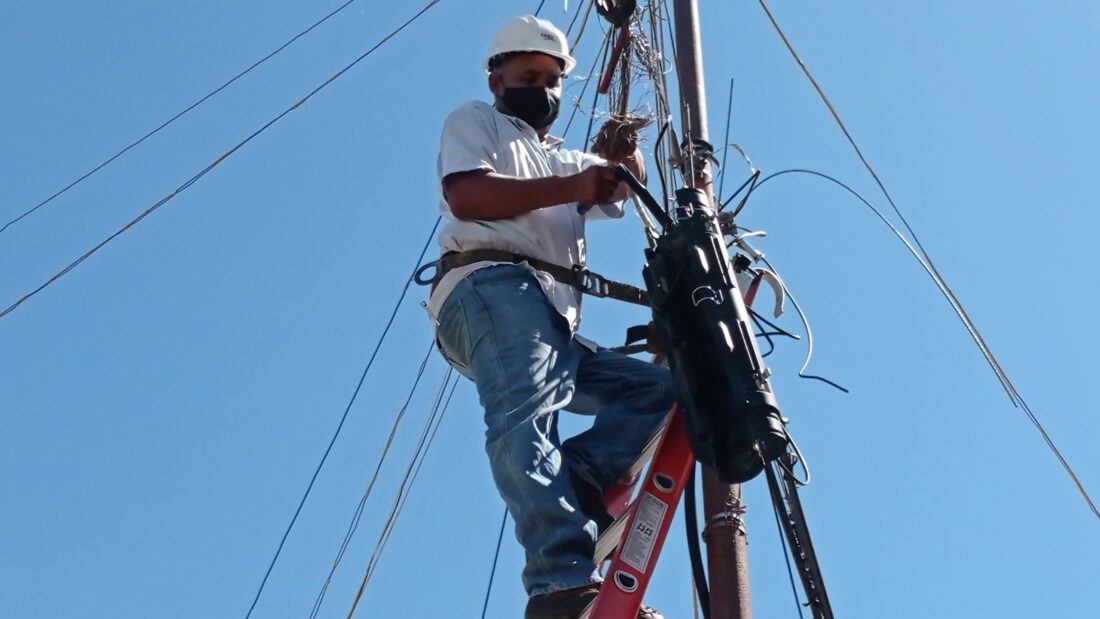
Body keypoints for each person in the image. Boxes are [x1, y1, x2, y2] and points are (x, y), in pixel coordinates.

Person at [426, 15, 673, 619]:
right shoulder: (476, 121)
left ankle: (577, 487)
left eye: (553, 78)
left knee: (664, 392)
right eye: (529, 75)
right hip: (490, 285)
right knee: (524, 420)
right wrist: (577, 185)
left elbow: (610, 188)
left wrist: (624, 164)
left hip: (548, 315)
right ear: (497, 77)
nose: (544, 89)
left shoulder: (560, 157)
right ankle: (559, 581)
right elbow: (468, 195)